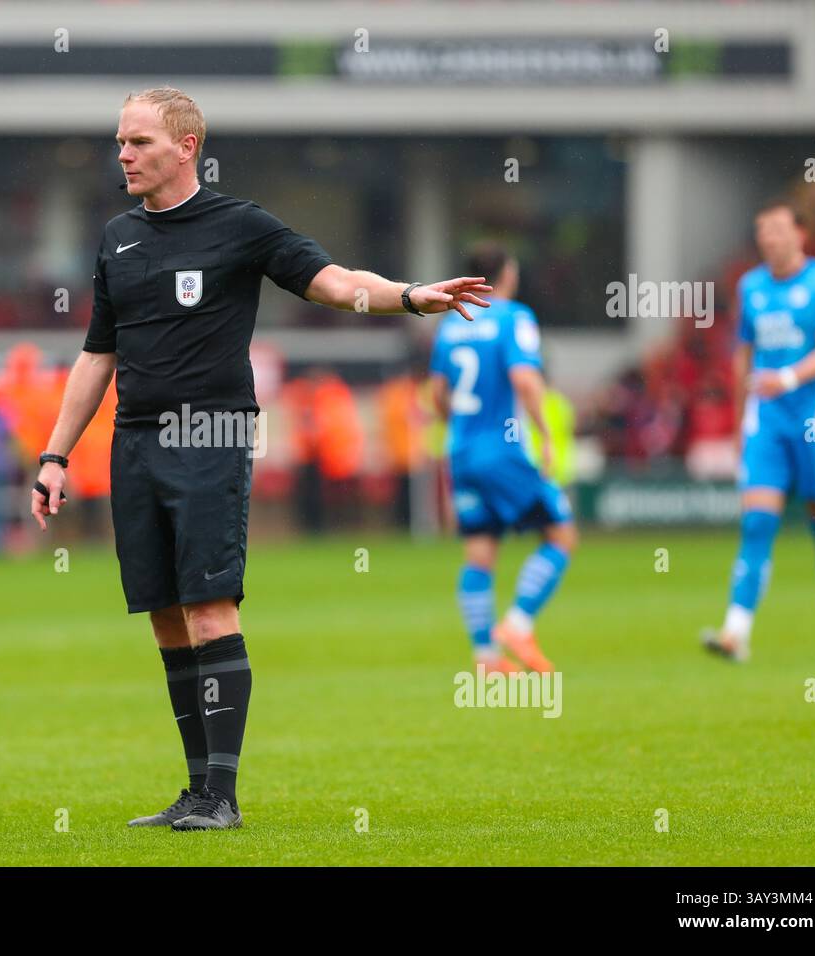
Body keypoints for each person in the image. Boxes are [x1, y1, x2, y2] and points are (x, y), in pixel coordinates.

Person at [29, 87, 490, 831]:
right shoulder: (117, 237)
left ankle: (223, 796)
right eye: (119, 141)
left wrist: (407, 297)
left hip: (209, 433)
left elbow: (335, 283)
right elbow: (97, 353)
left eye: (138, 141)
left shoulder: (240, 226)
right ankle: (194, 790)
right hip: (136, 439)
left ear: (186, 148)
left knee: (210, 606)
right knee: (165, 617)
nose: (123, 154)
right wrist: (55, 454)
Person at [702, 199, 815, 663]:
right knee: (757, 522)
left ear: (800, 234)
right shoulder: (751, 287)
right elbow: (742, 356)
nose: (767, 237)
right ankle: (735, 631)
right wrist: (739, 419)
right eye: (761, 230)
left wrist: (786, 378)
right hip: (767, 422)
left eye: (776, 229)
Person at [429, 243, 577, 675]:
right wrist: (546, 433)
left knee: (479, 551)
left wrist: (457, 428)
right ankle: (517, 623)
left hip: (461, 451)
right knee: (561, 536)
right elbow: (524, 378)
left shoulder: (451, 325)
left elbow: (437, 394)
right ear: (505, 275)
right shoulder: (514, 316)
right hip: (504, 449)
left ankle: (485, 656)